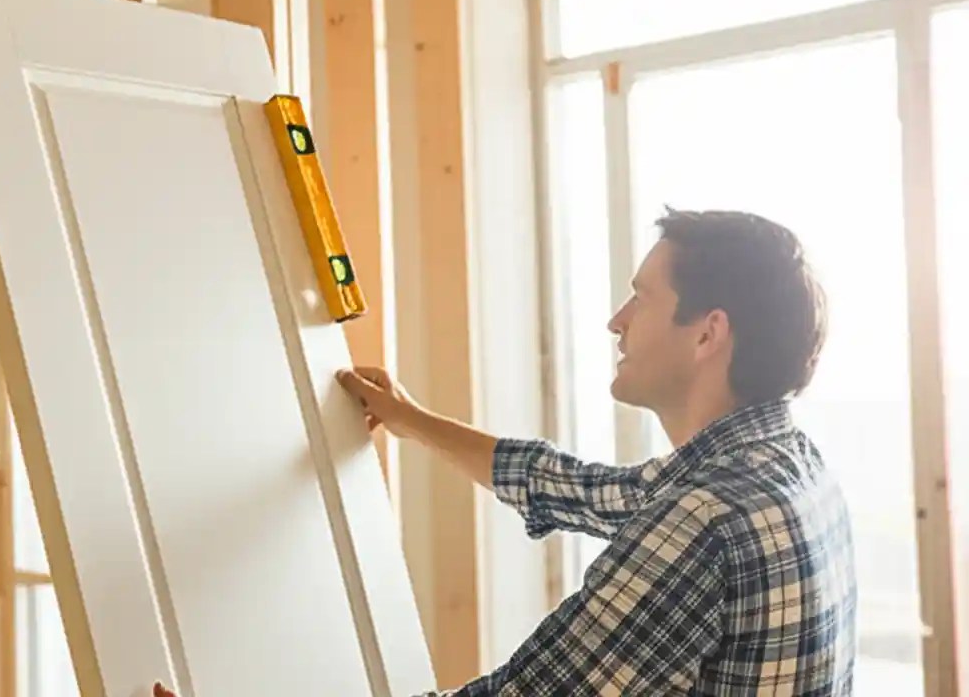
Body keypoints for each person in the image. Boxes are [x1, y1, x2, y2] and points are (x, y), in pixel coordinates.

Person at [156, 208, 857, 695]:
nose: (617, 320)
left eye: (640, 297)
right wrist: (410, 418)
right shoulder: (786, 463)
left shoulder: (702, 520)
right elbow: (573, 486)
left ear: (708, 335)